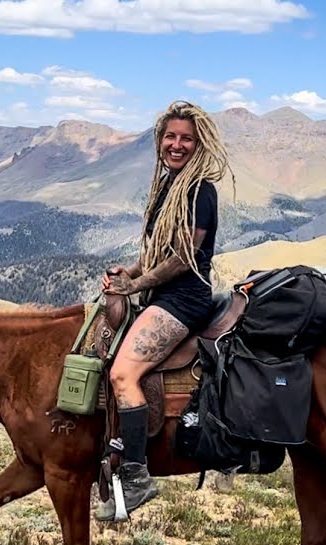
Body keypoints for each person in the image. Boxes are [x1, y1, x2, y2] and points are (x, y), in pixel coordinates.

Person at [96, 100, 232, 522]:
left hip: (183, 300)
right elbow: (157, 252)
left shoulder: (198, 190)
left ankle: (136, 475)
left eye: (186, 139)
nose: (176, 144)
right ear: (160, 141)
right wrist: (129, 271)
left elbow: (183, 256)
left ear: (199, 144)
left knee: (122, 373)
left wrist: (135, 285)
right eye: (170, 137)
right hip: (164, 296)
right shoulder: (169, 185)